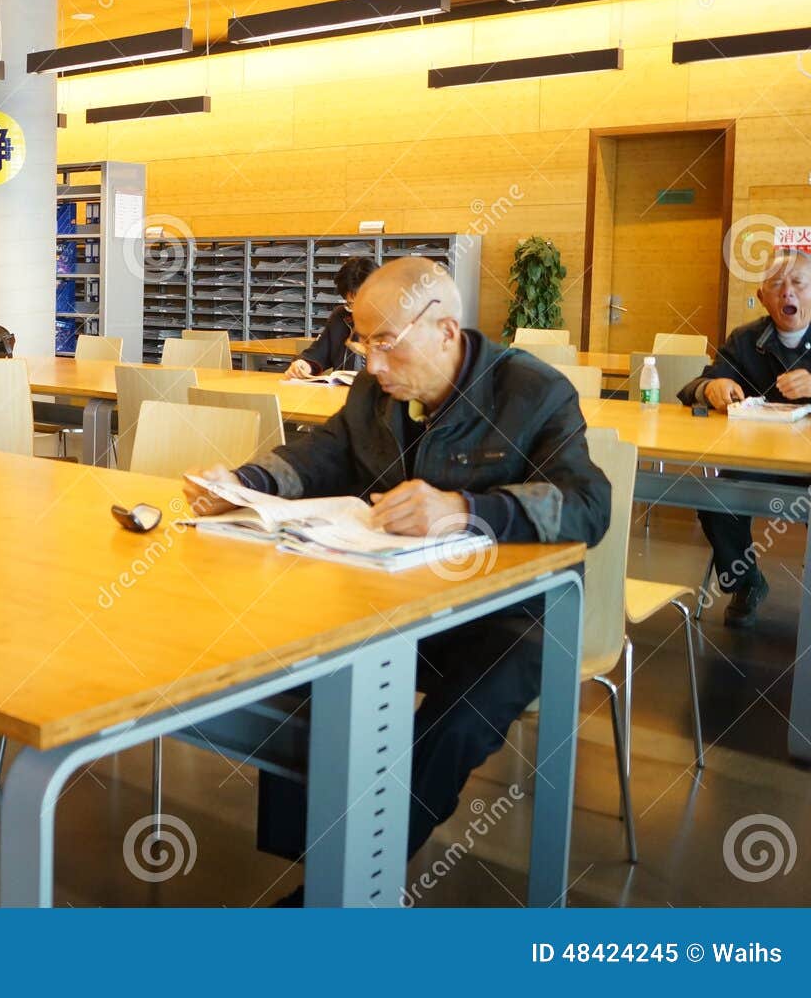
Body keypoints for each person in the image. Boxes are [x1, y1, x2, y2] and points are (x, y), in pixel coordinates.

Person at [185, 258, 610, 891]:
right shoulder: (374, 391)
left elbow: (588, 503)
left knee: (455, 723)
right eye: (363, 343)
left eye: (386, 343)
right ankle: (316, 852)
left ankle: (349, 886)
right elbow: (324, 453)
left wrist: (466, 509)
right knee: (296, 656)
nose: (372, 364)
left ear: (445, 329)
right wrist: (245, 485)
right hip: (393, 594)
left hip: (511, 614)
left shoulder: (532, 392)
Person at [677, 249, 811, 627]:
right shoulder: (746, 339)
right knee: (714, 496)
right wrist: (712, 387)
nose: (788, 293)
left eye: (798, 284)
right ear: (762, 295)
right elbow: (693, 386)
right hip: (759, 462)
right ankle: (745, 581)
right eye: (776, 285)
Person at [286, 256, 377, 379]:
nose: (358, 311)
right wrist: (304, 364)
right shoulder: (341, 316)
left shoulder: (397, 322)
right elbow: (318, 353)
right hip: (342, 393)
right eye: (351, 304)